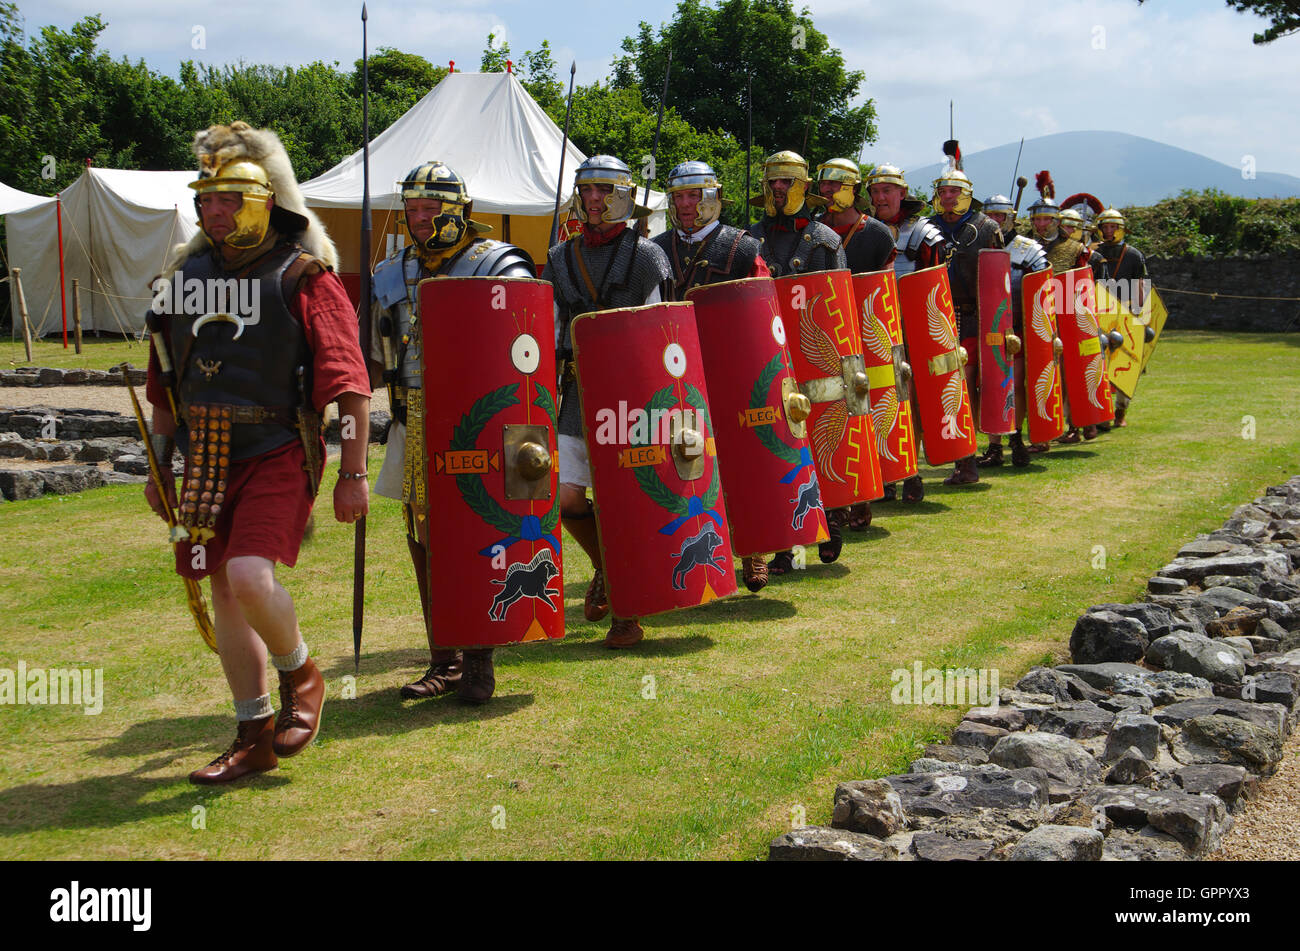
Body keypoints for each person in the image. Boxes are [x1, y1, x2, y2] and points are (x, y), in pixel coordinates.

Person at [144, 122, 370, 784]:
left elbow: (350, 383)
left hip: (278, 446)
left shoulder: (304, 276)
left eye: (225, 200)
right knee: (223, 589)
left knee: (247, 574)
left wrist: (352, 472)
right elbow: (165, 384)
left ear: (262, 200)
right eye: (204, 201)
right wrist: (160, 463)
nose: (212, 213)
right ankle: (253, 734)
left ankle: (302, 671)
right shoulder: (183, 280)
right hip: (206, 454)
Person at [369, 162, 536, 703]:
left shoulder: (497, 264)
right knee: (424, 534)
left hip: (481, 421)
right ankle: (443, 656)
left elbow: (523, 337)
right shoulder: (392, 271)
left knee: (478, 530)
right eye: (412, 209)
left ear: (456, 210)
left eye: (429, 209)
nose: (418, 220)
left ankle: (480, 656)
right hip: (414, 415)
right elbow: (379, 349)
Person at [545, 155, 673, 648]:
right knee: (567, 498)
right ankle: (604, 565)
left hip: (631, 399)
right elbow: (551, 329)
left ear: (621, 195)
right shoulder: (561, 257)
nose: (593, 200)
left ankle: (629, 612)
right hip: (579, 394)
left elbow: (660, 330)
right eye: (586, 190)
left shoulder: (646, 257)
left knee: (625, 504)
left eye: (603, 190)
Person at [652, 160, 772, 591]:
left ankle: (753, 548)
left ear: (712, 197)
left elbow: (762, 310)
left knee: (738, 462)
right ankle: (692, 548)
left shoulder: (742, 247)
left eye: (693, 197)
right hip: (674, 374)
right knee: (682, 461)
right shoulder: (655, 247)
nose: (685, 206)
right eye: (679, 197)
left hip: (728, 371)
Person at [748, 150, 848, 571]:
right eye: (773, 181)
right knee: (776, 446)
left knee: (820, 437)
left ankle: (832, 513)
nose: (777, 188)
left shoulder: (826, 241)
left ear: (803, 186)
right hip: (767, 355)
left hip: (814, 353)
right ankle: (784, 544)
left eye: (786, 182)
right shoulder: (750, 238)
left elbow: (838, 306)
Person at [815, 157, 896, 531]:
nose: (828, 192)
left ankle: (864, 495)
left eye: (835, 185)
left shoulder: (877, 234)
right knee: (830, 413)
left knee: (863, 409)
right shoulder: (814, 231)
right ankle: (833, 497)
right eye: (824, 185)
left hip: (866, 332)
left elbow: (883, 293)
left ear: (852, 189)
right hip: (827, 335)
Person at [866, 162, 944, 503]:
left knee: (909, 402)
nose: (881, 197)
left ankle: (910, 472)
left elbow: (934, 288)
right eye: (875, 191)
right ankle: (884, 474)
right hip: (873, 330)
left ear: (902, 194)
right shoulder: (861, 231)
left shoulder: (924, 233)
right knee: (875, 401)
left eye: (887, 191)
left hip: (911, 329)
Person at [927, 163, 1004, 485]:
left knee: (969, 386)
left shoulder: (986, 228)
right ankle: (947, 452)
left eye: (953, 191)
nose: (947, 197)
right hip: (934, 318)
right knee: (940, 388)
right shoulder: (927, 227)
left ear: (966, 194)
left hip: (973, 317)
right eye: (943, 191)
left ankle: (972, 456)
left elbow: (996, 279)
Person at [978, 194, 1051, 468]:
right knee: (991, 385)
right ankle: (994, 446)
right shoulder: (977, 246)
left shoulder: (1028, 248)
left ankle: (1017, 437)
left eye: (1001, 215)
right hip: (988, 326)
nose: (996, 220)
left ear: (1011, 217)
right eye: (991, 215)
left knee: (1015, 384)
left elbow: (1043, 288)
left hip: (1018, 327)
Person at [1028, 190, 1098, 443]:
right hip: (1035, 319)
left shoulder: (1075, 248)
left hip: (1067, 318)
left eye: (1046, 219)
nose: (1041, 224)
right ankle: (1045, 425)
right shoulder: (1024, 246)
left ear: (1056, 221)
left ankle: (1076, 423)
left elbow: (1082, 287)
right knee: (1038, 374)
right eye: (1037, 220)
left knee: (1070, 373)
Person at [1094, 208, 1149, 427]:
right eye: (1105, 227)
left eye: (1113, 227)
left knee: (1124, 365)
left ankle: (1120, 410)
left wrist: (1138, 316)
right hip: (1100, 314)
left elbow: (1141, 286)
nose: (1109, 231)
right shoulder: (1092, 253)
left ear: (1121, 228)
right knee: (1100, 365)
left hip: (1126, 314)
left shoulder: (1134, 255)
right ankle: (1101, 412)